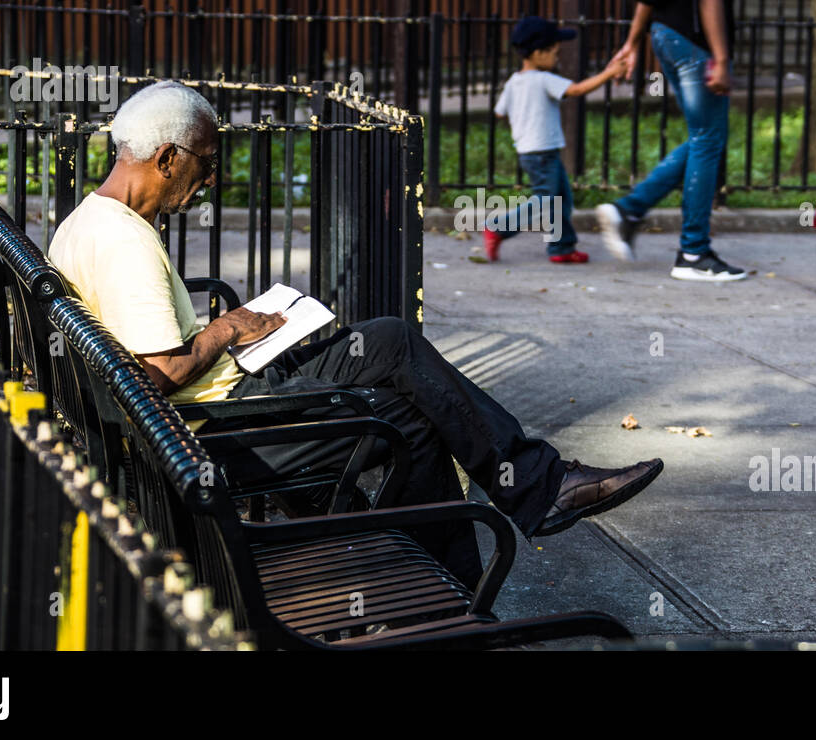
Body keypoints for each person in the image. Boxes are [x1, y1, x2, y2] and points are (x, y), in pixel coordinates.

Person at [48, 81, 663, 589]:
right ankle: (524, 506)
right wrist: (229, 327)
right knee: (395, 351)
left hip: (207, 415)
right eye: (206, 164)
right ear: (166, 158)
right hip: (217, 433)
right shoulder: (126, 241)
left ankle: (459, 581)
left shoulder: (86, 223)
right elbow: (160, 371)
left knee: (404, 399)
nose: (207, 181)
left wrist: (230, 335)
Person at [600, 0, 747, 282]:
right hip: (691, 41)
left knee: (705, 135)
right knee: (708, 140)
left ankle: (629, 210)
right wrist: (720, 56)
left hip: (665, 34)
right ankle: (693, 253)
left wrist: (633, 41)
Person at [483, 15, 623, 264]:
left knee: (562, 199)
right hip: (542, 152)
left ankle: (561, 247)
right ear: (538, 53)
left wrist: (523, 121)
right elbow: (577, 90)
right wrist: (609, 73)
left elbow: (499, 112)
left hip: (529, 150)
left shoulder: (514, 82)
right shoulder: (543, 79)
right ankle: (498, 227)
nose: (557, 58)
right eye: (555, 53)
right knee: (545, 200)